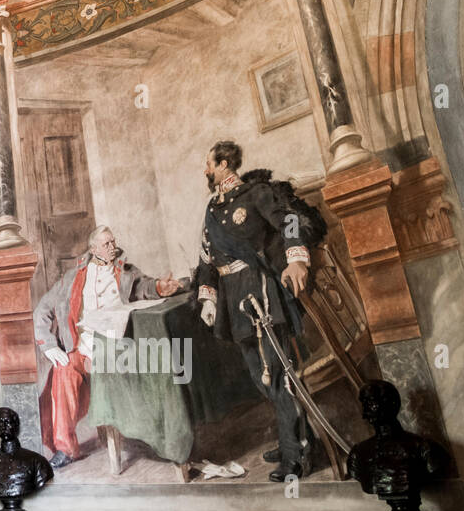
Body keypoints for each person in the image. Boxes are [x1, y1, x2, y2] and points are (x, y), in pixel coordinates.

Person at [195, 140, 320, 481]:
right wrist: (207, 297)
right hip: (232, 298)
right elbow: (206, 258)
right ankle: (297, 437)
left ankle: (297, 456)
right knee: (259, 376)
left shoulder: (255, 194)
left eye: (209, 163)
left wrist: (296, 259)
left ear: (224, 164)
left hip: (260, 291)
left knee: (277, 374)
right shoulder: (212, 208)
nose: (205, 170)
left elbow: (290, 220)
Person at [32, 226, 182, 467]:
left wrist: (158, 288)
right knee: (63, 371)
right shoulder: (73, 278)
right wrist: (49, 346)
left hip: (115, 347)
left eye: (113, 242)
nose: (112, 247)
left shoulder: (125, 272)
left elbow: (144, 287)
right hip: (82, 346)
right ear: (93, 249)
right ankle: (66, 449)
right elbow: (42, 310)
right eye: (106, 244)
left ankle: (155, 437)